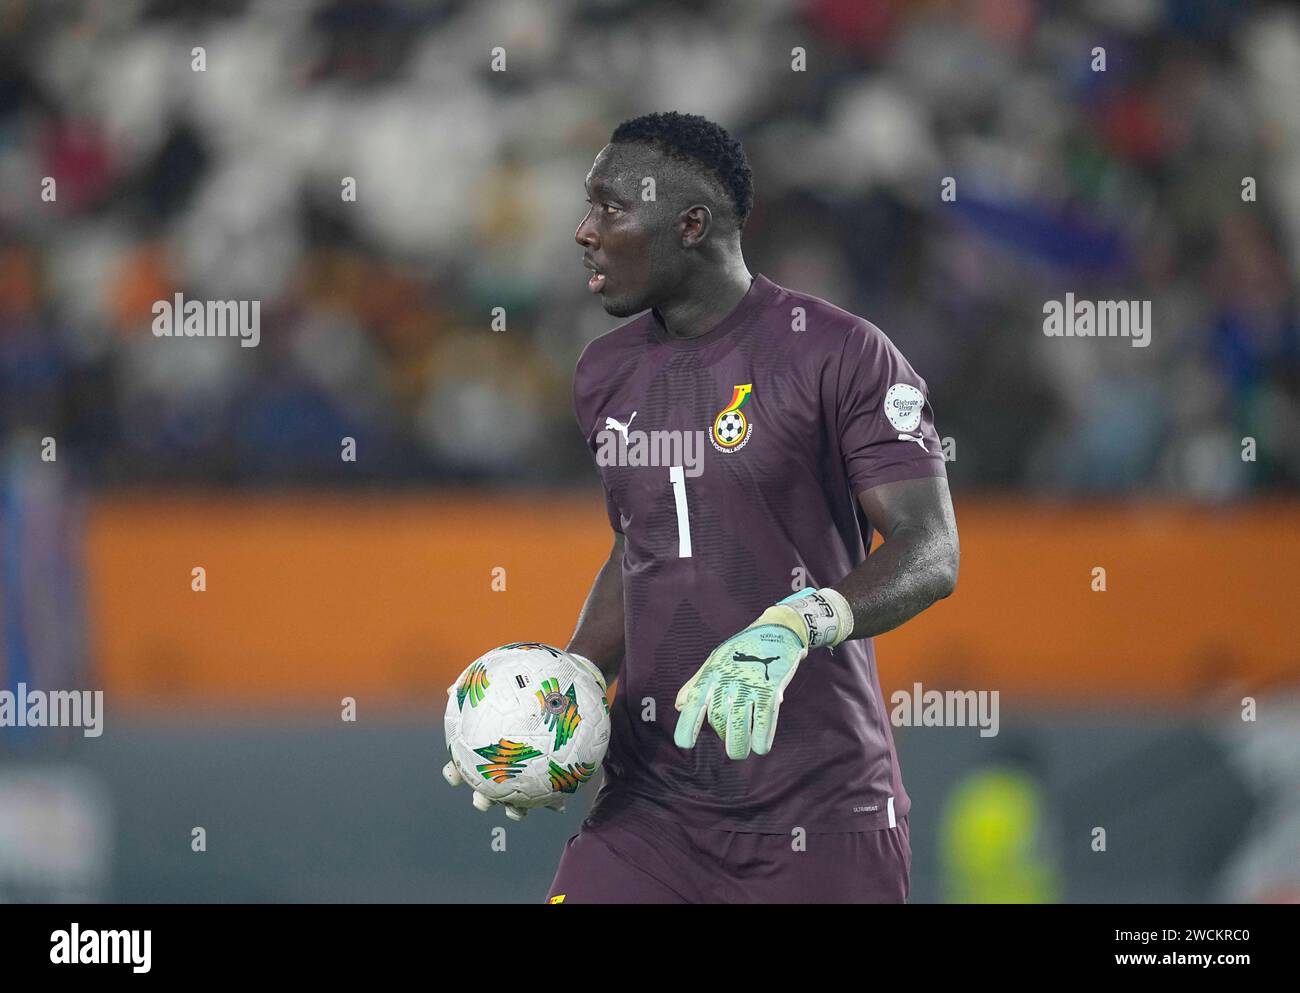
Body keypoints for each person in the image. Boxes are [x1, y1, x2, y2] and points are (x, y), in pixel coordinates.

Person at [452, 111, 959, 903]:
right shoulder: (602, 373)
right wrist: (567, 691)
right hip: (650, 809)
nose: (584, 231)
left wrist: (801, 621)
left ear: (690, 224)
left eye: (610, 207)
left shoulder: (840, 353)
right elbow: (641, 540)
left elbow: (930, 549)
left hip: (821, 817)